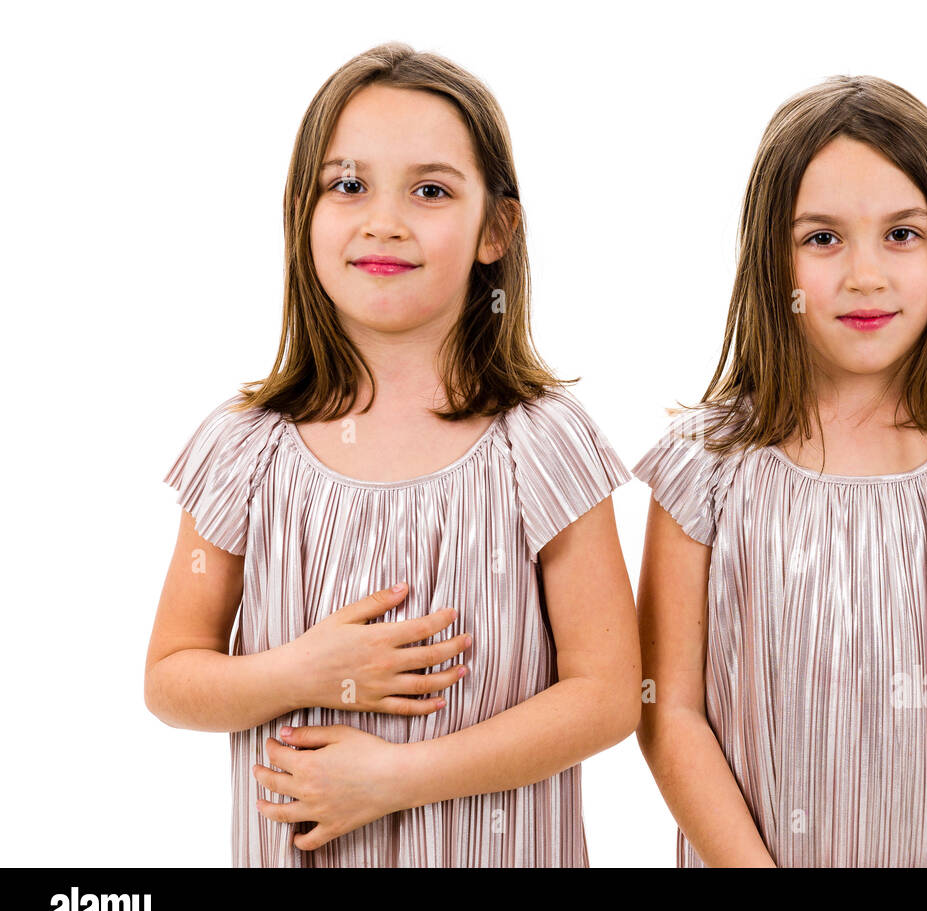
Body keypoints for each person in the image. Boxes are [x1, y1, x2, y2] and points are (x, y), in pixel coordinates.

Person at [145, 42, 640, 867]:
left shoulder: (543, 443)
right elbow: (170, 675)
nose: (384, 220)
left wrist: (398, 777)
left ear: (497, 228)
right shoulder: (244, 450)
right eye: (348, 185)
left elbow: (609, 696)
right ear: (303, 213)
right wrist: (304, 670)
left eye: (432, 190)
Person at [632, 75, 927, 867]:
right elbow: (671, 714)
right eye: (823, 238)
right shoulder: (704, 471)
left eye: (902, 235)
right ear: (774, 260)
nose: (865, 274)